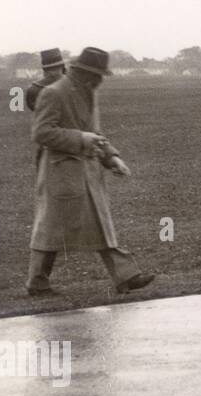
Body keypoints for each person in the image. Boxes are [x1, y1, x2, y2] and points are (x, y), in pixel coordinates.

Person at [27, 47, 154, 296]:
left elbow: (95, 134)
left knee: (100, 223)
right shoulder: (53, 93)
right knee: (50, 231)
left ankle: (126, 276)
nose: (100, 80)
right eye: (97, 75)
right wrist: (80, 138)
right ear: (82, 72)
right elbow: (41, 133)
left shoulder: (89, 92)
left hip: (87, 170)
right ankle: (37, 282)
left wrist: (112, 157)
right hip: (59, 173)